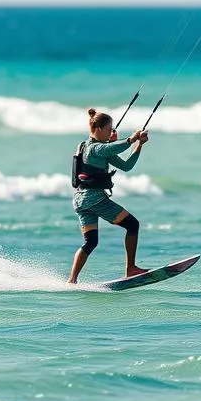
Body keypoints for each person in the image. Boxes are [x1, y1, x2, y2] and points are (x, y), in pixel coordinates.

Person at [67, 108, 150, 284]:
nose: (112, 132)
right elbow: (110, 147)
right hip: (94, 199)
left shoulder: (91, 147)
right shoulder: (93, 148)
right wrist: (131, 139)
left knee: (91, 242)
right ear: (97, 129)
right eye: (109, 129)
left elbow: (127, 166)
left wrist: (139, 145)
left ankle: (72, 280)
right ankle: (131, 269)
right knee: (133, 225)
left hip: (81, 201)